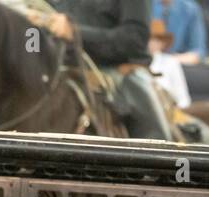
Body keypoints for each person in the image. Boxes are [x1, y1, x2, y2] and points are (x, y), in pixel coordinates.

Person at [28, 0, 175, 140]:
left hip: (117, 72)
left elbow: (135, 39)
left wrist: (76, 32)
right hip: (59, 69)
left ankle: (157, 161)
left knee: (151, 129)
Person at [150, 0, 207, 64]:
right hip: (150, 61)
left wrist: (171, 59)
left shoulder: (189, 9)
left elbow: (198, 52)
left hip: (178, 64)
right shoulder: (147, 6)